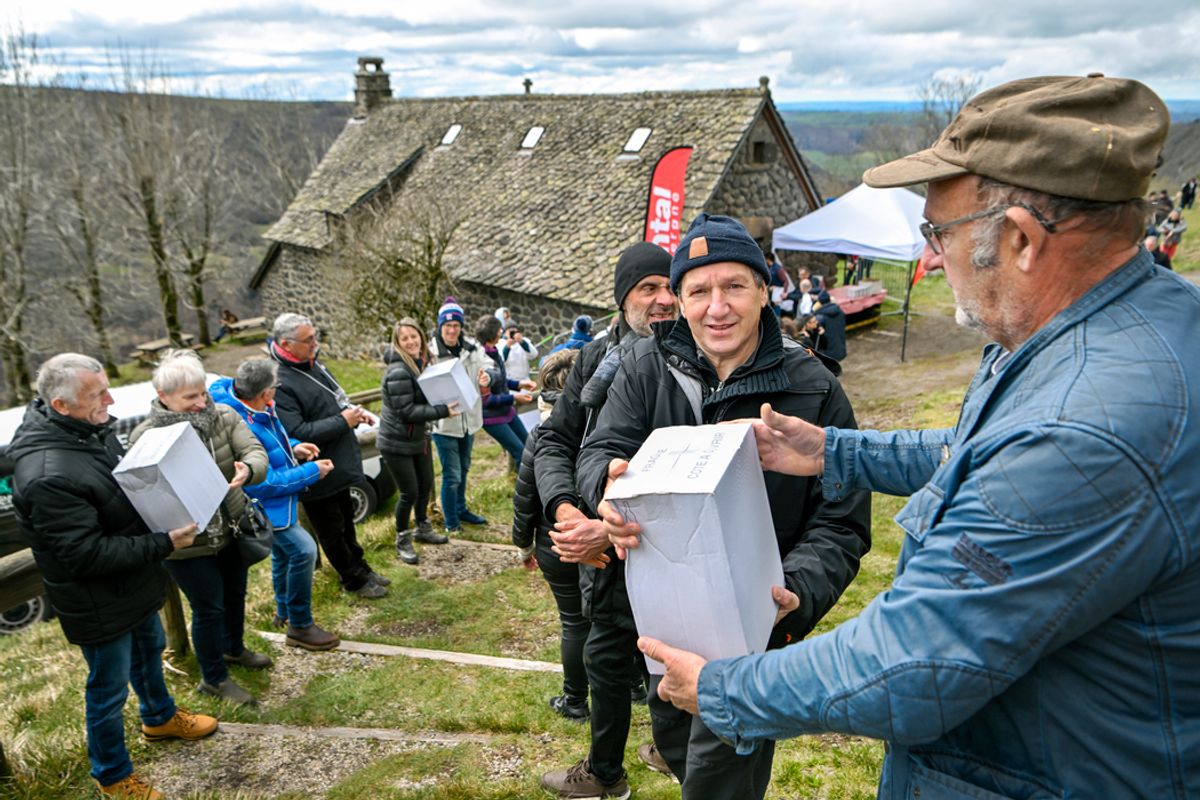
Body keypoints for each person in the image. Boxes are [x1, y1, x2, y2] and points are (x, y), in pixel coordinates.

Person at [643, 74, 1199, 800]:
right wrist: (832, 451)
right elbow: (975, 450)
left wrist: (721, 685)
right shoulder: (1117, 323)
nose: (929, 260)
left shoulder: (1082, 430)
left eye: (939, 234)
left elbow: (914, 666)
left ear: (1023, 239)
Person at [573, 214, 871, 800]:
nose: (718, 307)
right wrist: (601, 491)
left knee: (721, 780)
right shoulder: (644, 366)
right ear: (679, 301)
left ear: (764, 290)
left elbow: (840, 523)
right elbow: (601, 447)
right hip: (659, 621)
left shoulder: (813, 389)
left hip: (752, 628)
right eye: (699, 291)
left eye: (735, 286)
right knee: (684, 753)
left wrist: (797, 591)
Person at [9, 353, 218, 800]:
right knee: (107, 688)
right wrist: (164, 542)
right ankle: (112, 774)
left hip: (132, 579)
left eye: (106, 387)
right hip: (97, 598)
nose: (110, 399)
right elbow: (84, 554)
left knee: (151, 650)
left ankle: (159, 716)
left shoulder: (85, 430)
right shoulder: (47, 473)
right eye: (97, 394)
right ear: (61, 405)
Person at [536, 241, 680, 798]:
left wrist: (611, 524)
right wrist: (565, 507)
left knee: (669, 657)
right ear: (623, 301)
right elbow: (554, 440)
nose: (664, 300)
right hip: (607, 554)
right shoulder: (595, 361)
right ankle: (604, 773)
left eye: (671, 287)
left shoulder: (697, 358)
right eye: (649, 289)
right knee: (605, 657)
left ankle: (674, 753)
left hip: (670, 543)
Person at [128, 350, 270, 706]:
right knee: (209, 608)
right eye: (190, 397)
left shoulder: (223, 415)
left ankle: (233, 649)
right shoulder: (144, 436)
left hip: (232, 528)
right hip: (187, 543)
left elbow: (253, 449)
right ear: (164, 397)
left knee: (235, 595)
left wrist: (249, 470)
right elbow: (142, 489)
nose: (200, 402)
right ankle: (214, 679)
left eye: (202, 393)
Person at [209, 359, 341, 651]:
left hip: (278, 507)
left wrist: (293, 445)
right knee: (304, 551)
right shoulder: (238, 421)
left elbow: (271, 443)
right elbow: (262, 482)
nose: (277, 392)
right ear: (264, 393)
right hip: (263, 506)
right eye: (275, 387)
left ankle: (282, 611)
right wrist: (311, 472)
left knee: (283, 556)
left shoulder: (254, 406)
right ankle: (300, 625)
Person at [269, 313, 389, 599]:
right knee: (331, 530)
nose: (315, 343)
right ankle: (352, 580)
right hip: (316, 469)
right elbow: (296, 430)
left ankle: (361, 568)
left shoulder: (313, 363)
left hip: (339, 461)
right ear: (286, 343)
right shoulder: (279, 381)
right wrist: (343, 422)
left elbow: (335, 401)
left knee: (346, 521)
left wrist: (355, 416)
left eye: (315, 336)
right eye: (309, 339)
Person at [511, 348, 590, 722]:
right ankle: (636, 685)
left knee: (574, 621)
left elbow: (525, 496)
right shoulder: (604, 422)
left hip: (555, 541)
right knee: (613, 618)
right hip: (599, 536)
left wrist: (524, 544)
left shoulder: (541, 434)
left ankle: (575, 700)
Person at [379, 318, 460, 564]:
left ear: (421, 338)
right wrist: (442, 411)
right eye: (405, 338)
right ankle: (403, 539)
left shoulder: (421, 364)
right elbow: (406, 411)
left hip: (418, 437)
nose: (411, 342)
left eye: (414, 336)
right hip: (396, 441)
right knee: (409, 492)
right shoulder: (398, 370)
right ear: (398, 343)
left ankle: (422, 528)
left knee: (425, 486)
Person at [429, 298, 491, 534]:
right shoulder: (431, 352)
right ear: (440, 327)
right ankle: (451, 522)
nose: (452, 330)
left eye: (456, 325)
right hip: (445, 424)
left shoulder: (472, 348)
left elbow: (489, 366)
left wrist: (488, 378)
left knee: (464, 469)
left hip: (469, 421)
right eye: (448, 325)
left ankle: (462, 509)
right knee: (451, 474)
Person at [476, 315, 536, 466]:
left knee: (531, 447)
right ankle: (522, 488)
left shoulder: (494, 350)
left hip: (506, 411)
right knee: (520, 453)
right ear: (494, 333)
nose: (502, 331)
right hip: (492, 417)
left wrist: (519, 385)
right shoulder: (481, 358)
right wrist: (515, 399)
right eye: (499, 329)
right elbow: (486, 399)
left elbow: (501, 380)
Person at [811, 289, 847, 363]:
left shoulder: (820, 317)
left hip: (827, 353)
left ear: (819, 302)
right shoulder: (840, 312)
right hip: (840, 349)